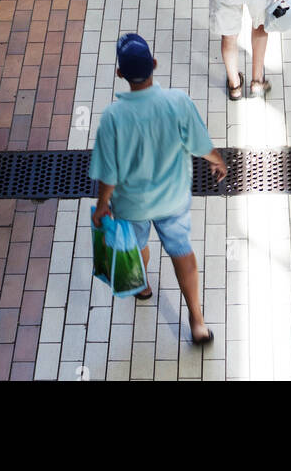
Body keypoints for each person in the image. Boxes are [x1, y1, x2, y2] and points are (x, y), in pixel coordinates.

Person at [89, 32, 226, 346]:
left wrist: (102, 205)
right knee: (181, 251)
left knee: (136, 244)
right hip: (172, 200)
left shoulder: (113, 117)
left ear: (120, 74)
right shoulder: (177, 102)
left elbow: (108, 174)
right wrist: (217, 161)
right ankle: (197, 322)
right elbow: (200, 144)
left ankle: (142, 287)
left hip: (131, 205)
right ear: (154, 64)